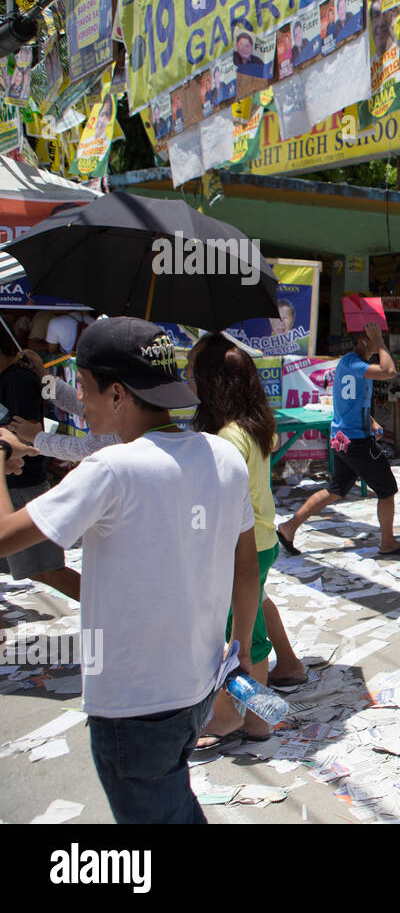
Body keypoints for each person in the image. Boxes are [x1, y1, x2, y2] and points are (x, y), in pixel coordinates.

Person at [0, 318, 260, 823]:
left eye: (84, 386)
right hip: (199, 687)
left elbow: (5, 536)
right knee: (173, 804)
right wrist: (243, 652)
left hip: (132, 705)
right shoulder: (224, 456)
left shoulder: (112, 469)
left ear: (118, 394)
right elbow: (246, 569)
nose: (79, 398)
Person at [188, 334, 307, 744]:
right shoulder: (252, 425)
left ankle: (253, 720)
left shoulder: (226, 439)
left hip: (242, 548)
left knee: (246, 641)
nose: (186, 378)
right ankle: (261, 711)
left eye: (192, 371)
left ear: (211, 383)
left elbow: (222, 504)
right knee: (252, 618)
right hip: (262, 540)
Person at [276, 324, 400, 559]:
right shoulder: (355, 364)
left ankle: (288, 527)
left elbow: (350, 401)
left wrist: (371, 421)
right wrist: (382, 342)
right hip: (355, 441)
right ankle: (388, 543)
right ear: (364, 341)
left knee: (336, 489)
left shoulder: (347, 363)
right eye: (373, 338)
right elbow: (390, 371)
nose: (377, 342)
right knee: (387, 488)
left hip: (342, 438)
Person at [0, 335, 80, 600]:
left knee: (47, 569)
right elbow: (71, 403)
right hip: (18, 481)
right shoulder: (22, 378)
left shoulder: (17, 379)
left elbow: (28, 432)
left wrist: (35, 438)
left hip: (23, 484)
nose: (81, 389)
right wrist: (45, 377)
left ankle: (119, 610)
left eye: (86, 383)